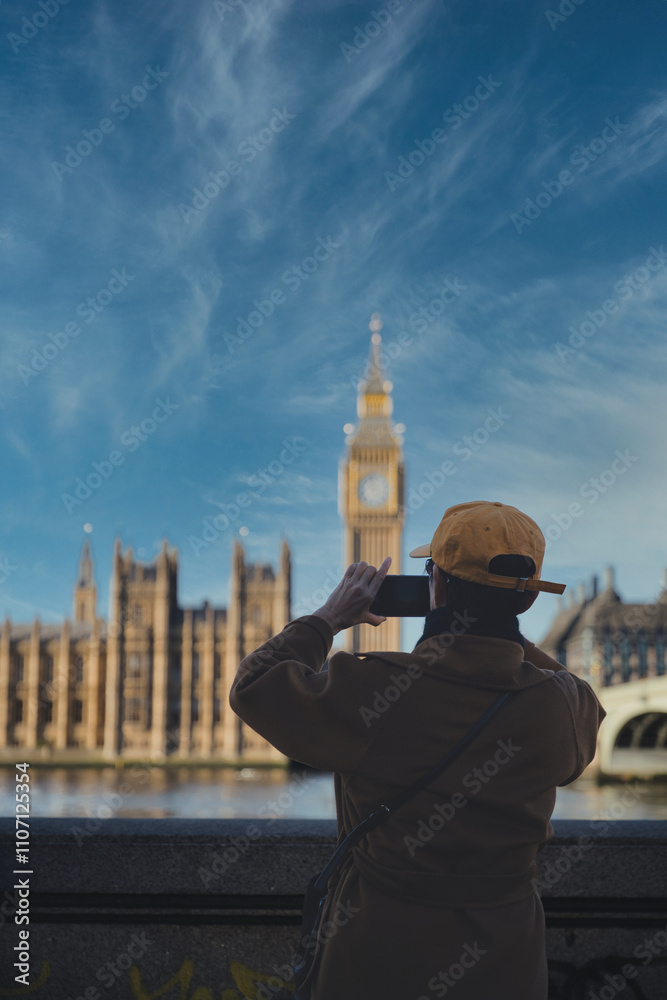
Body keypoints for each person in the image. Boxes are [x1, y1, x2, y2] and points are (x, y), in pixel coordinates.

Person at [229, 500, 607, 1000]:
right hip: (503, 962)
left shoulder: (376, 689)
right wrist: (504, 631)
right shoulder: (557, 709)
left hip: (380, 954)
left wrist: (327, 618)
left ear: (439, 586)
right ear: (527, 602)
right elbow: (582, 699)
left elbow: (253, 686)